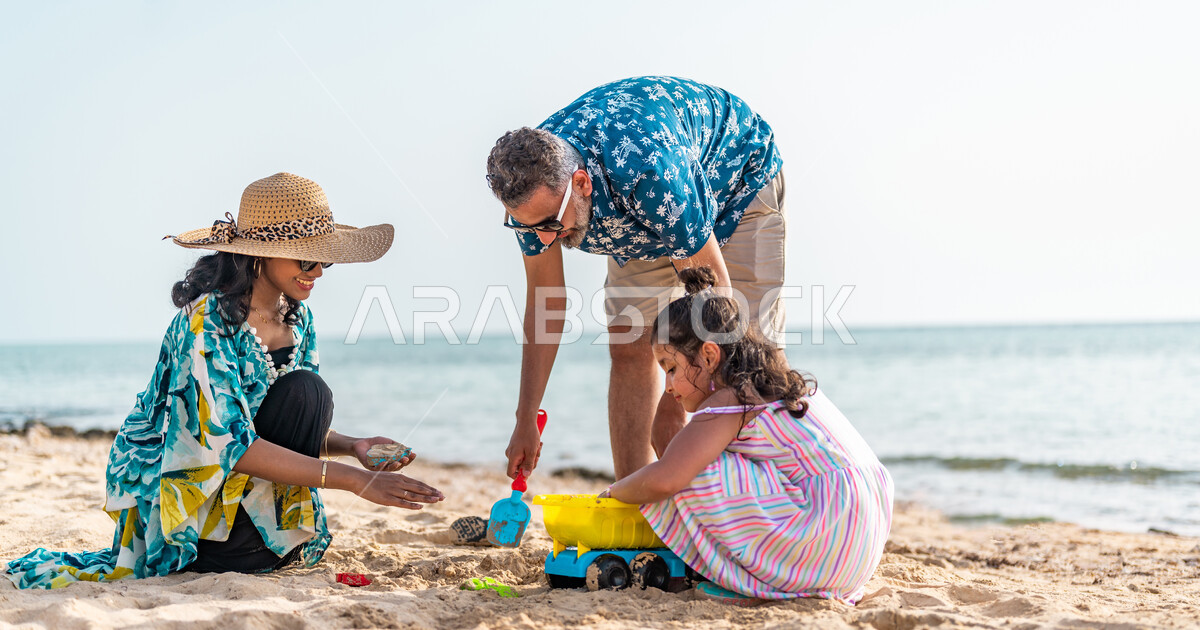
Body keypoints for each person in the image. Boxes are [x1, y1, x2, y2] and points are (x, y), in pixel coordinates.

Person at [5, 173, 444, 589]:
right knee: (308, 389)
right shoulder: (206, 324)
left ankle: (266, 541)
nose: (319, 271)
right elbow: (227, 443)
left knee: (307, 392)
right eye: (306, 257)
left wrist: (355, 447)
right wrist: (355, 481)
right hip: (192, 523)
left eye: (325, 258)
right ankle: (238, 547)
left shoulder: (298, 317)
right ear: (259, 253)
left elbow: (270, 421)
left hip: (250, 511)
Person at [486, 76, 787, 482]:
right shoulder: (533, 196)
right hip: (638, 217)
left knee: (744, 352)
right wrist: (525, 418)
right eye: (526, 227)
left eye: (549, 224)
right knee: (629, 345)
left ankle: (773, 489)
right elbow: (546, 305)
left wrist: (673, 399)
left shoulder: (649, 171)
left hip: (737, 180)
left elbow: (713, 294)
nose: (541, 239)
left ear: (581, 183)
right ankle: (639, 507)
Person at [599, 267, 892, 606]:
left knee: (687, 469)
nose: (667, 385)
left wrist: (613, 493)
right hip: (857, 545)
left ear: (709, 355)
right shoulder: (768, 386)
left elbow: (667, 480)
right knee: (690, 457)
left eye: (671, 368)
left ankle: (749, 583)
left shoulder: (731, 398)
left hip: (822, 539)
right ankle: (769, 580)